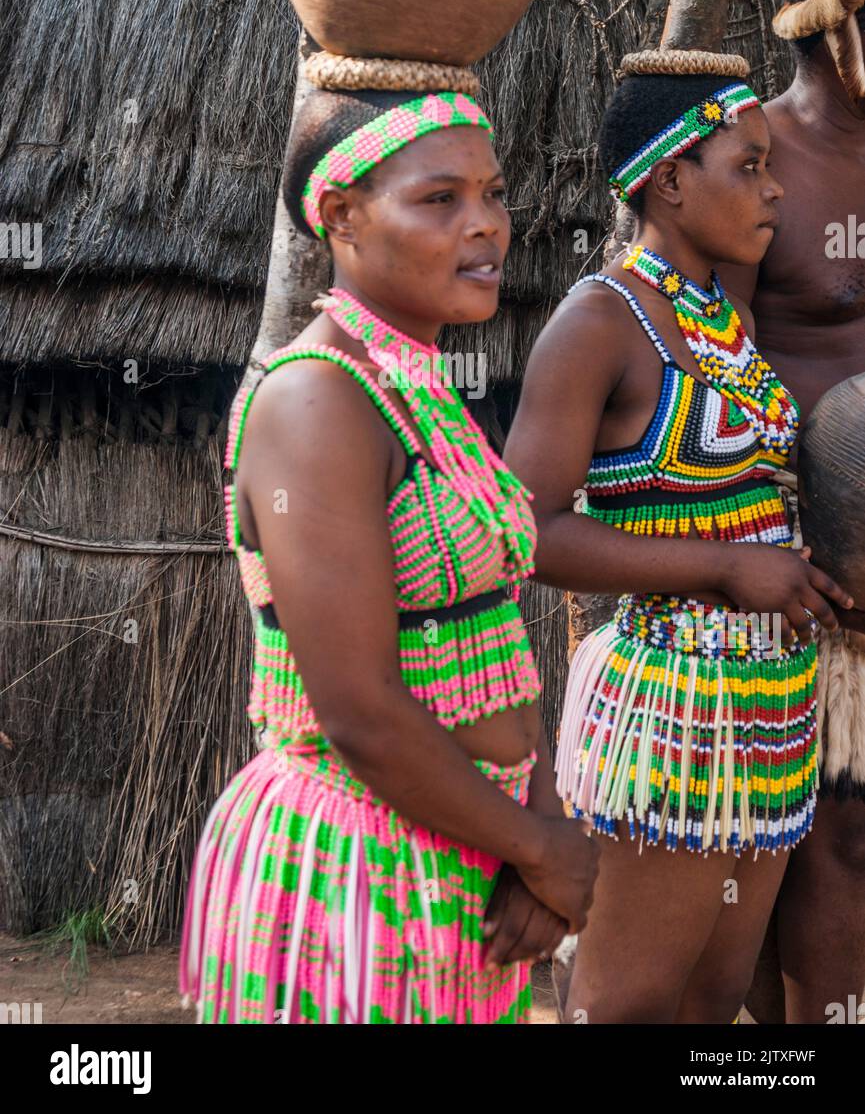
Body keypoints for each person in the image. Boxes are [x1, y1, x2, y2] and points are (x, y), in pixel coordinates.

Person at [178, 78, 598, 1024]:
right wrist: (541, 850)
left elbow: (490, 645)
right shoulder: (316, 402)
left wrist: (536, 829)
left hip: (462, 852)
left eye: (493, 194)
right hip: (353, 871)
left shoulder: (420, 391)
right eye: (440, 199)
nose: (485, 225)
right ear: (341, 216)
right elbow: (359, 710)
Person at [503, 50, 854, 1024]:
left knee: (708, 1002)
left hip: (771, 702)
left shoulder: (724, 318)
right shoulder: (599, 324)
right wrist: (724, 565)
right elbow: (522, 531)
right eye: (745, 165)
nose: (774, 186)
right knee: (626, 1008)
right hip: (673, 708)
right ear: (667, 180)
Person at [719, 0, 865, 1024]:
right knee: (828, 826)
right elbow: (700, 371)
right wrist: (767, 551)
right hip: (796, 576)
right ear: (830, 24)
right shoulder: (747, 164)